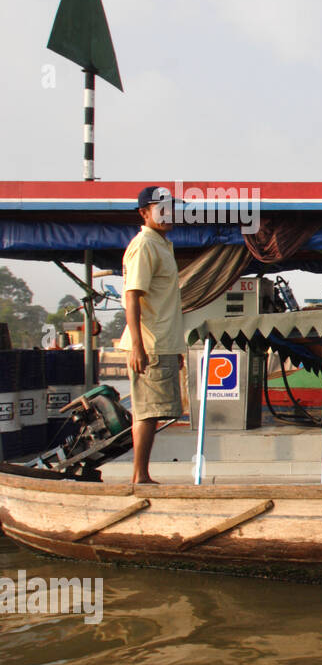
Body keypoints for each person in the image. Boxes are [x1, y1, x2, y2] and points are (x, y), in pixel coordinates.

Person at [121, 185, 185, 484]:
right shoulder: (145, 244)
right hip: (150, 343)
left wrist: (175, 349)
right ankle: (140, 476)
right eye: (160, 208)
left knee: (156, 411)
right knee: (147, 412)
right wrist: (137, 346)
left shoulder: (163, 244)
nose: (167, 213)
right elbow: (133, 296)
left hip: (163, 342)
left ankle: (141, 474)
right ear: (144, 213)